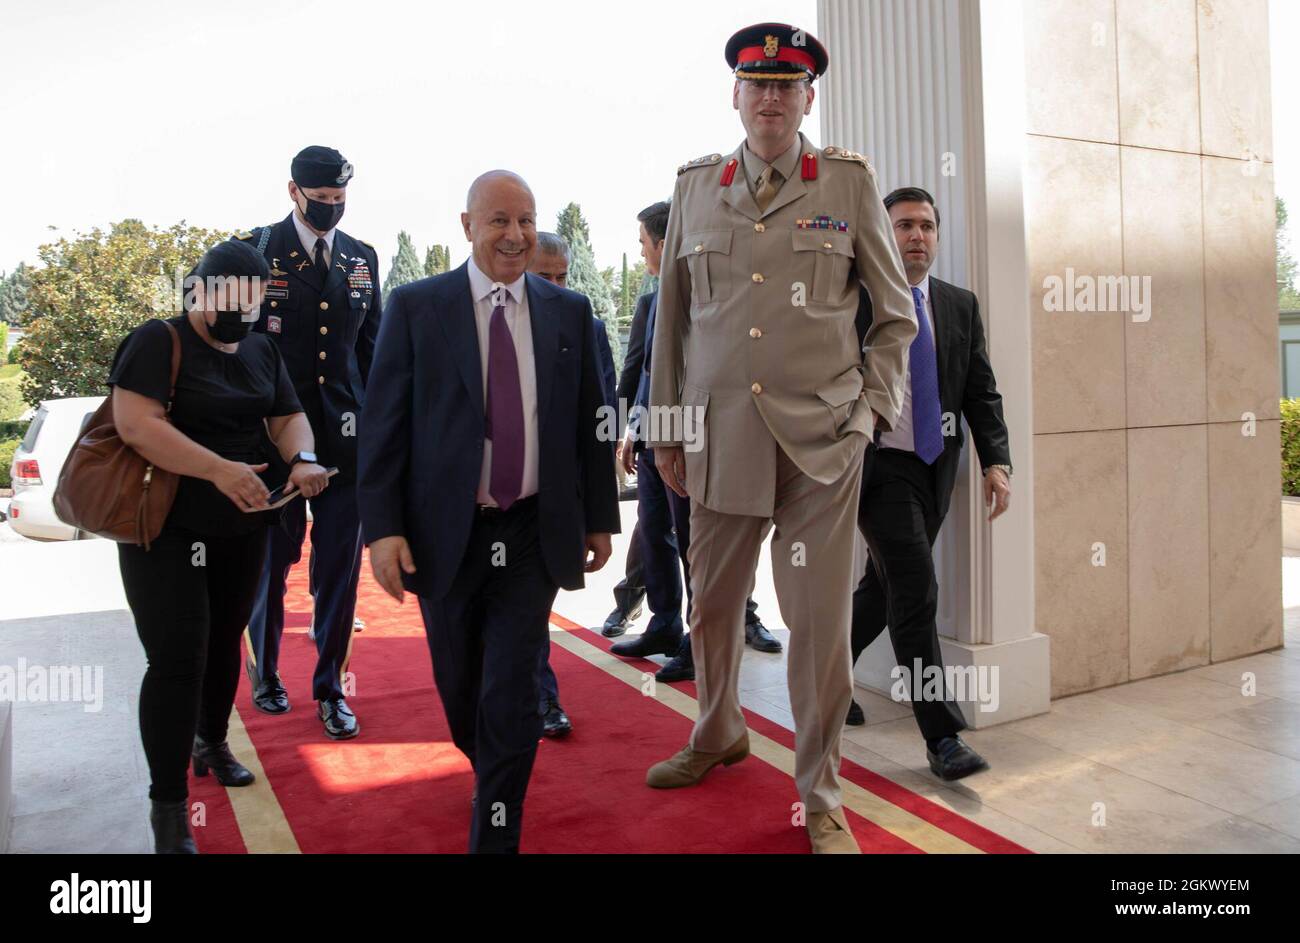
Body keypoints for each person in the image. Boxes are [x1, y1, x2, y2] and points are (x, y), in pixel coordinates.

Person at [645, 22, 917, 853]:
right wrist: (665, 432)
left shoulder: (845, 183)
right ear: (736, 94)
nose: (770, 98)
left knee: (818, 625)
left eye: (787, 85)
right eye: (756, 85)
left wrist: (868, 414)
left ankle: (821, 791)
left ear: (807, 98)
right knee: (714, 607)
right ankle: (716, 730)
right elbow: (673, 326)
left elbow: (894, 316)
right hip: (717, 439)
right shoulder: (697, 186)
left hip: (821, 446)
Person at [358, 170, 619, 854]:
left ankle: (495, 826)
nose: (516, 235)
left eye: (526, 220)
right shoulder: (417, 308)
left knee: (511, 687)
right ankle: (492, 770)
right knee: (461, 688)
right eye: (500, 220)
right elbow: (382, 428)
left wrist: (599, 517)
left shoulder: (568, 313)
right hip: (448, 533)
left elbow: (591, 421)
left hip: (532, 529)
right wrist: (382, 529)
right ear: (468, 225)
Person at [111, 240, 330, 853]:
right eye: (226, 301)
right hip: (166, 529)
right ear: (199, 292)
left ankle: (211, 742)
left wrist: (304, 458)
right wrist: (219, 469)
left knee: (225, 641)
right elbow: (136, 423)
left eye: (251, 302)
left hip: (243, 525)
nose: (239, 316)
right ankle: (168, 808)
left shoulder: (261, 348)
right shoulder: (159, 340)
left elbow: (287, 415)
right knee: (178, 659)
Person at [847, 187, 1011, 781]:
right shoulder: (854, 300)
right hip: (877, 469)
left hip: (936, 466)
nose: (917, 236)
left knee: (883, 587)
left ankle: (830, 675)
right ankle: (941, 737)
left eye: (927, 226)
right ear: (883, 235)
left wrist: (997, 462)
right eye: (904, 226)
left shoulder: (958, 305)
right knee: (917, 587)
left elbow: (979, 390)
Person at [239, 145, 382, 741]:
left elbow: (372, 351)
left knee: (340, 570)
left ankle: (330, 687)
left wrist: (382, 427)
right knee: (271, 564)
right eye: (321, 200)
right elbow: (235, 350)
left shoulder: (361, 258)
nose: (331, 209)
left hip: (345, 439)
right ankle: (267, 673)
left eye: (339, 200)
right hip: (272, 438)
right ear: (294, 192)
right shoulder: (254, 250)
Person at [609, 201, 780, 683]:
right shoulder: (649, 301)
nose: (640, 251)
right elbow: (638, 370)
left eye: (643, 243)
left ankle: (697, 640)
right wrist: (629, 430)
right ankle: (662, 623)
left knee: (695, 544)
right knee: (654, 531)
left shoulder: (712, 295)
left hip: (692, 439)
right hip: (652, 436)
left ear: (665, 244)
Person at [525, 231, 618, 737]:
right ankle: (527, 697)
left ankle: (540, 697)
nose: (558, 287)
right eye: (546, 277)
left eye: (563, 277)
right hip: (493, 502)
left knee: (534, 606)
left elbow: (598, 421)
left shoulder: (586, 323)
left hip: (558, 498)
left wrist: (598, 517)